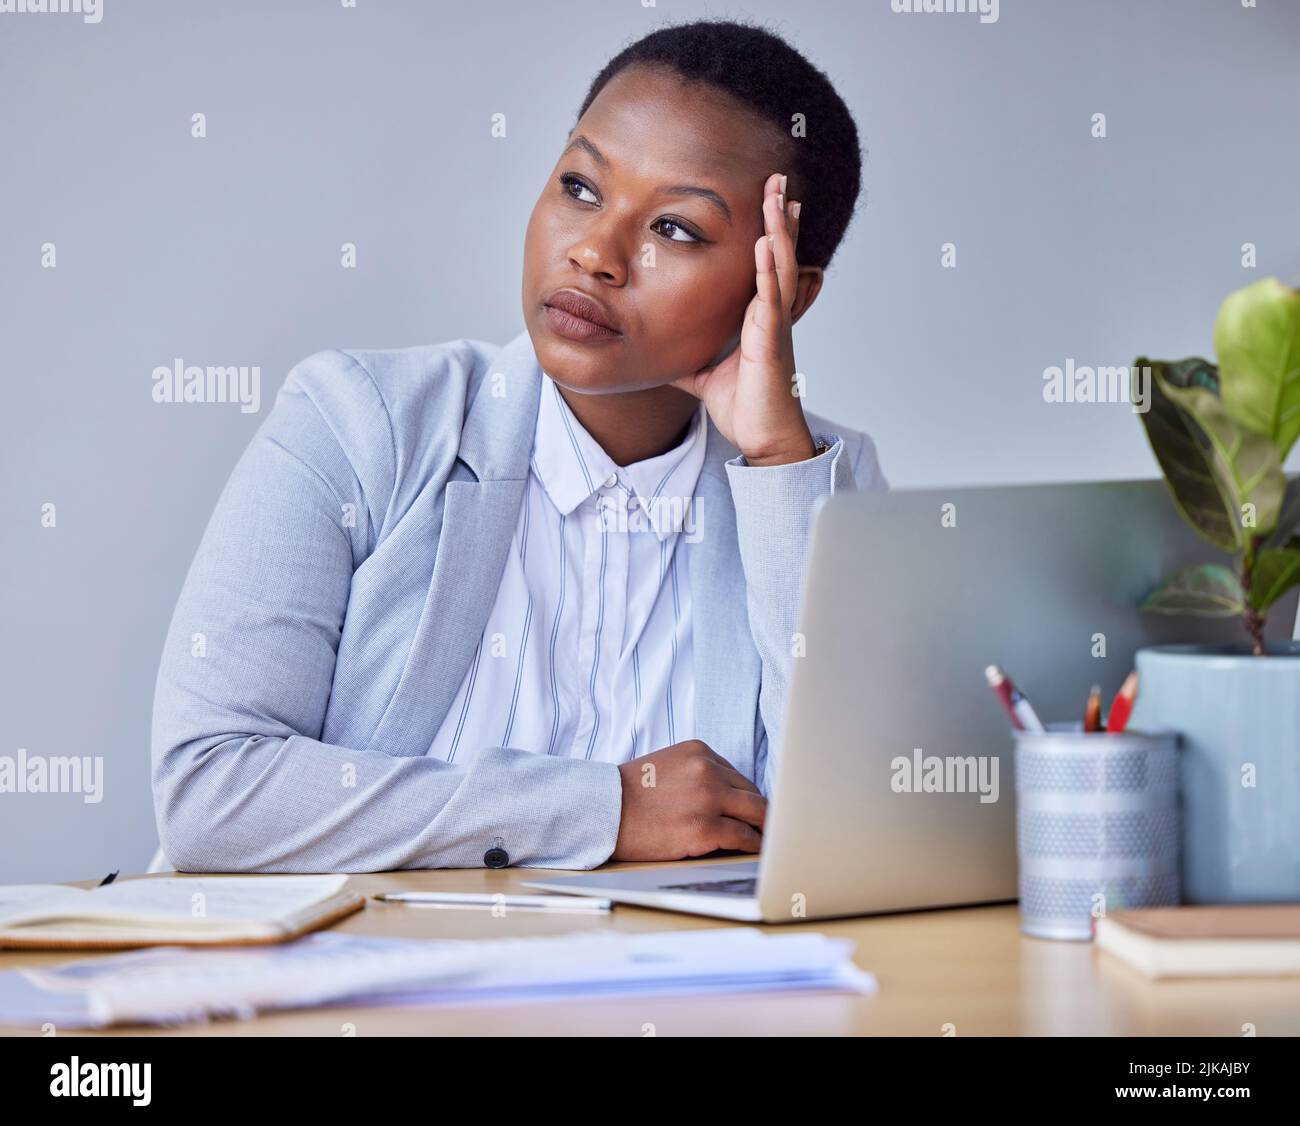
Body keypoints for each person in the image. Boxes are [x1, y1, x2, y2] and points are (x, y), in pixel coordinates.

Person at [150, 18, 887, 873]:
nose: (595, 253)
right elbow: (212, 793)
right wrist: (600, 809)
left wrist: (778, 468)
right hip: (349, 992)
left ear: (787, 296)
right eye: (581, 186)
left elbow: (857, 840)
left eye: (675, 230)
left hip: (671, 999)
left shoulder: (819, 483)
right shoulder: (358, 423)